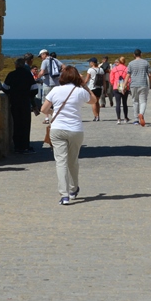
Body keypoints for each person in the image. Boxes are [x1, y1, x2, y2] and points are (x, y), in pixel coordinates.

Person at [41, 65, 94, 205]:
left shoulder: (55, 90)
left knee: (61, 162)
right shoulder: (80, 91)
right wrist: (84, 85)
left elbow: (43, 109)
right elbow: (94, 100)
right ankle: (73, 189)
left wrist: (55, 113)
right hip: (76, 129)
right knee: (73, 160)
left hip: (58, 128)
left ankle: (64, 195)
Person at [3, 57, 37, 153]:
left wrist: (11, 92)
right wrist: (29, 95)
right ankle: (25, 145)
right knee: (25, 124)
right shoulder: (28, 75)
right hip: (25, 102)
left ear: (16, 65)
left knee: (16, 124)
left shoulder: (11, 74)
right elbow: (35, 89)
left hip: (14, 101)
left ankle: (17, 146)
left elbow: (4, 88)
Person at [127, 49, 151, 126]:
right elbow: (150, 75)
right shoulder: (146, 63)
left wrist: (125, 84)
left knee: (135, 101)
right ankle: (141, 113)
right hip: (143, 84)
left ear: (134, 55)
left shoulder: (130, 63)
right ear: (141, 54)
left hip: (133, 84)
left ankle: (136, 119)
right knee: (143, 101)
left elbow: (128, 75)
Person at [109, 56, 130, 124]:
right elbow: (129, 79)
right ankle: (125, 118)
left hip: (116, 86)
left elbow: (111, 79)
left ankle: (118, 119)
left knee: (118, 103)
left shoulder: (114, 69)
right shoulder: (127, 69)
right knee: (124, 103)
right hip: (125, 87)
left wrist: (114, 84)